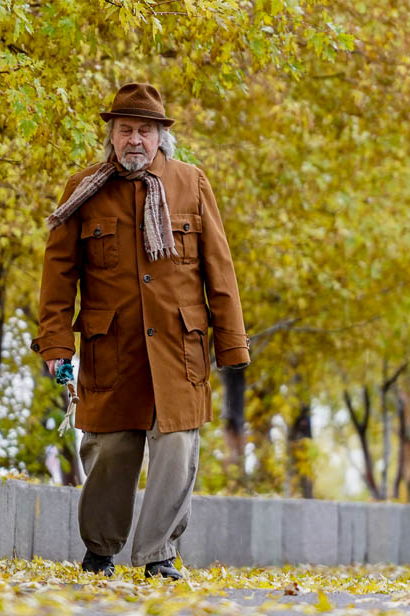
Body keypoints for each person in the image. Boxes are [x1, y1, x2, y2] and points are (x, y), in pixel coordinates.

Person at [30, 82, 251, 578]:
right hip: (114, 347)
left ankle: (158, 556)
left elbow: (219, 266)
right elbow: (59, 274)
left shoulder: (191, 184)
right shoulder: (83, 189)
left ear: (160, 137)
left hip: (180, 347)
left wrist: (232, 342)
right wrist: (56, 342)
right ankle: (100, 550)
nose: (135, 140)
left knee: (177, 450)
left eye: (145, 131)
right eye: (126, 129)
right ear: (111, 135)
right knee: (111, 451)